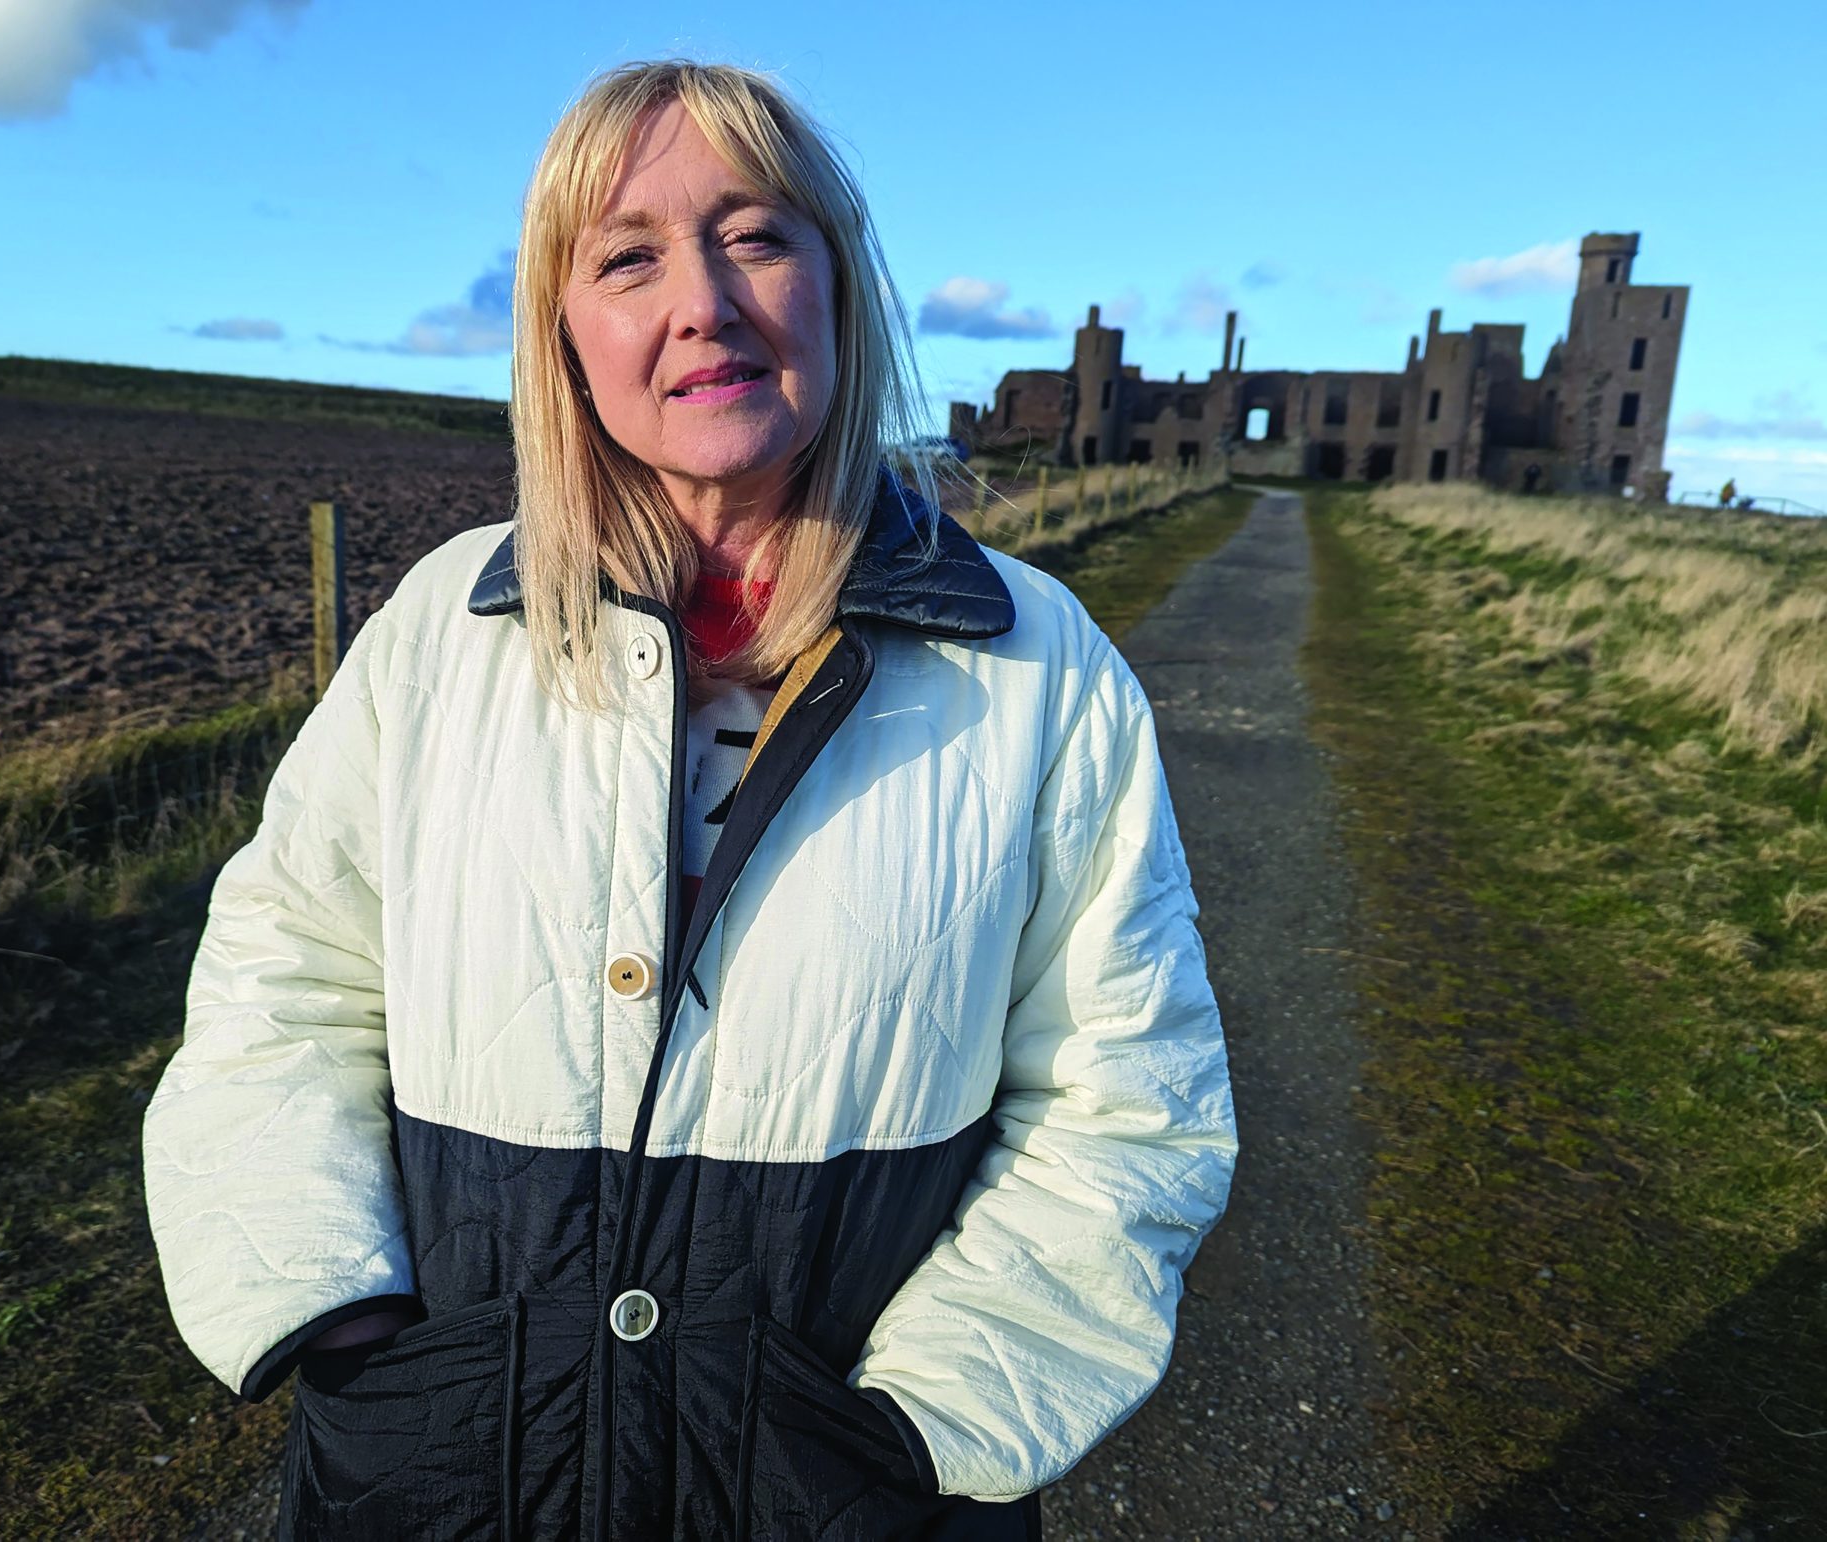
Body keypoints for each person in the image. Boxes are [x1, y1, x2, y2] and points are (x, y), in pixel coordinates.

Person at [142, 58, 1236, 1541]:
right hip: (447, 1494)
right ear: (564, 332)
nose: (703, 303)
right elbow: (280, 989)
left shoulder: (1040, 675)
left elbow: (1128, 1109)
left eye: (757, 234)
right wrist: (343, 1330)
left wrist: (912, 1438)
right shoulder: (434, 639)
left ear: (838, 285)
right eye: (629, 256)